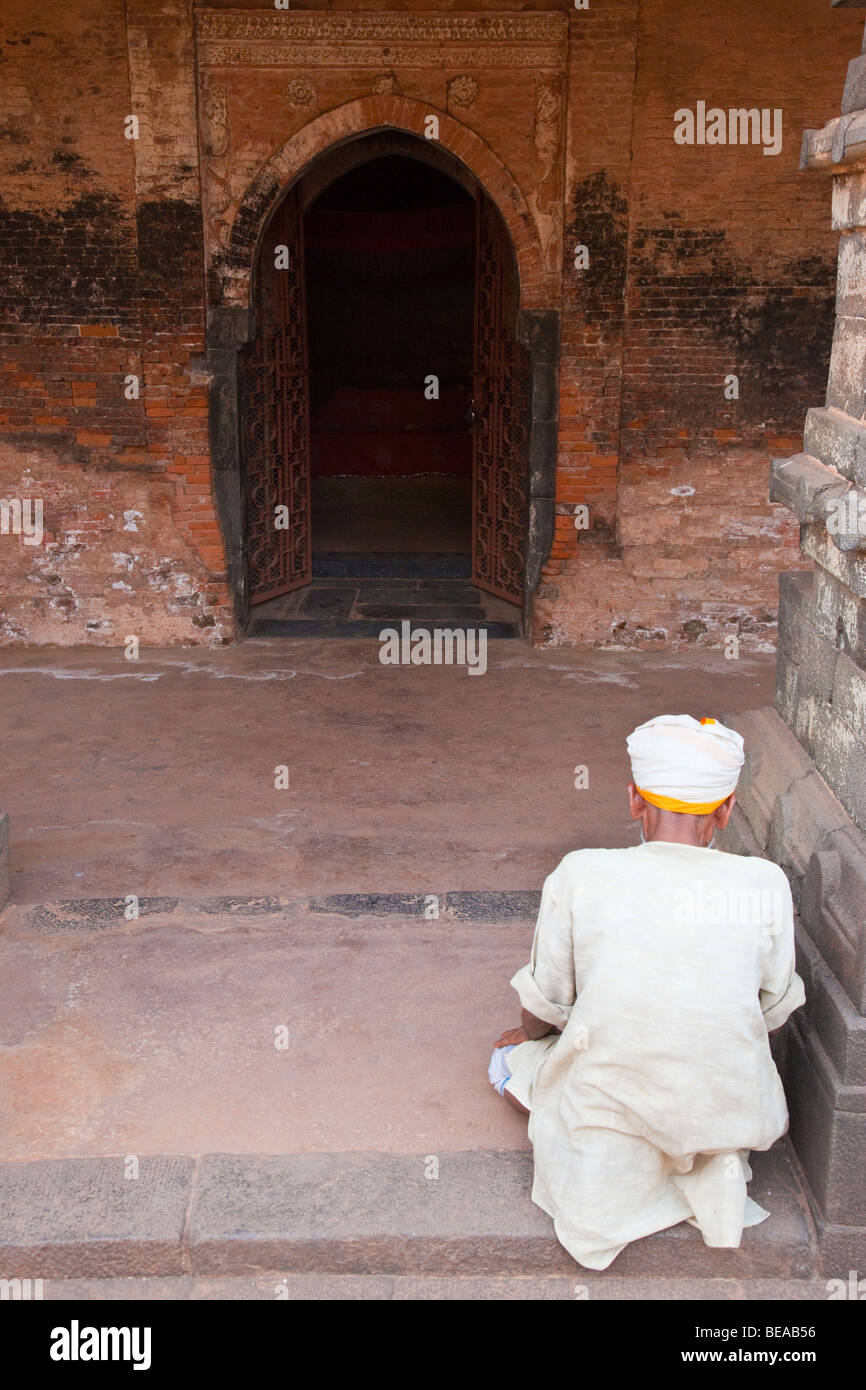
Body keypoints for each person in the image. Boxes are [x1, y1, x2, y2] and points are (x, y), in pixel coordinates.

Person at [489, 714, 805, 1271]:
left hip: (609, 1101)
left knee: (507, 1065)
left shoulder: (580, 873)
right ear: (727, 810)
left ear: (635, 800)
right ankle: (695, 1155)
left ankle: (619, 1151)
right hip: (727, 1109)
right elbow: (772, 1012)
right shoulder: (765, 884)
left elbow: (546, 1003)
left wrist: (531, 1038)